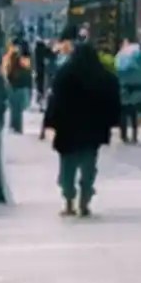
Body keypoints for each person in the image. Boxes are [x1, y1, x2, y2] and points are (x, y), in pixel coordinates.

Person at [43, 43, 120, 217]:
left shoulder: (64, 75)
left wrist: (50, 122)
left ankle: (69, 201)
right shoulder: (104, 77)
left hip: (67, 130)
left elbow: (55, 101)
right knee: (88, 166)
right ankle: (84, 202)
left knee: (67, 168)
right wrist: (112, 123)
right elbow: (113, 103)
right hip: (93, 131)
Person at [115, 39, 141, 144]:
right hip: (138, 86)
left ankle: (123, 135)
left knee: (123, 112)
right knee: (133, 112)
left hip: (123, 85)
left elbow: (116, 67)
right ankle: (134, 135)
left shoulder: (122, 53)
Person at [1, 42, 33, 134]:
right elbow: (4, 67)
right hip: (12, 83)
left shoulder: (22, 56)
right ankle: (13, 126)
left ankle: (17, 127)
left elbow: (26, 65)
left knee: (17, 108)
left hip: (19, 84)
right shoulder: (8, 56)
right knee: (13, 107)